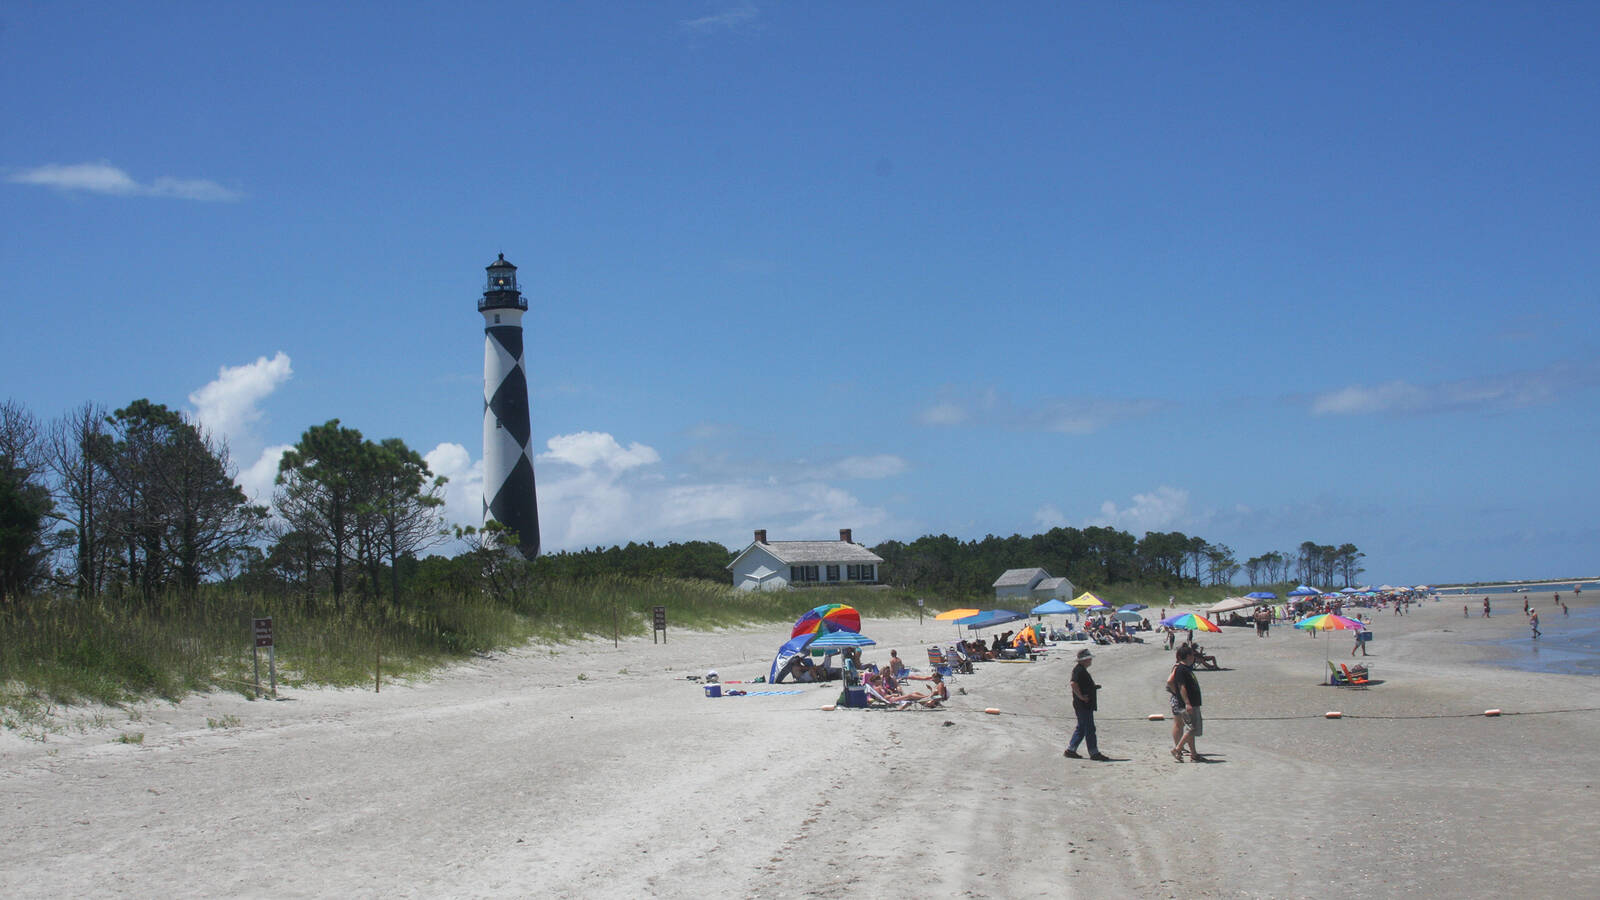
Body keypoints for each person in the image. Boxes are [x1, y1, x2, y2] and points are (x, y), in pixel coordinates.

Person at [1064, 649, 1109, 761]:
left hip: (1084, 704)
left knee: (1082, 728)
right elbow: (1073, 683)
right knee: (1089, 728)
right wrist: (1081, 697)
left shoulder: (1081, 670)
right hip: (1083, 704)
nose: (1090, 661)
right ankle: (1094, 753)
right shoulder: (1079, 670)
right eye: (1088, 659)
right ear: (1084, 660)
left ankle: (1071, 750)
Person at [1166, 645, 1204, 762]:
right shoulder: (1181, 669)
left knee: (1189, 728)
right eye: (1193, 655)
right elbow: (1179, 686)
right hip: (1187, 703)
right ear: (1188, 656)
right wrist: (1186, 701)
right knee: (1191, 728)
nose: (1194, 657)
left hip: (1189, 702)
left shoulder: (1186, 668)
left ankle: (1193, 754)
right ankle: (1178, 748)